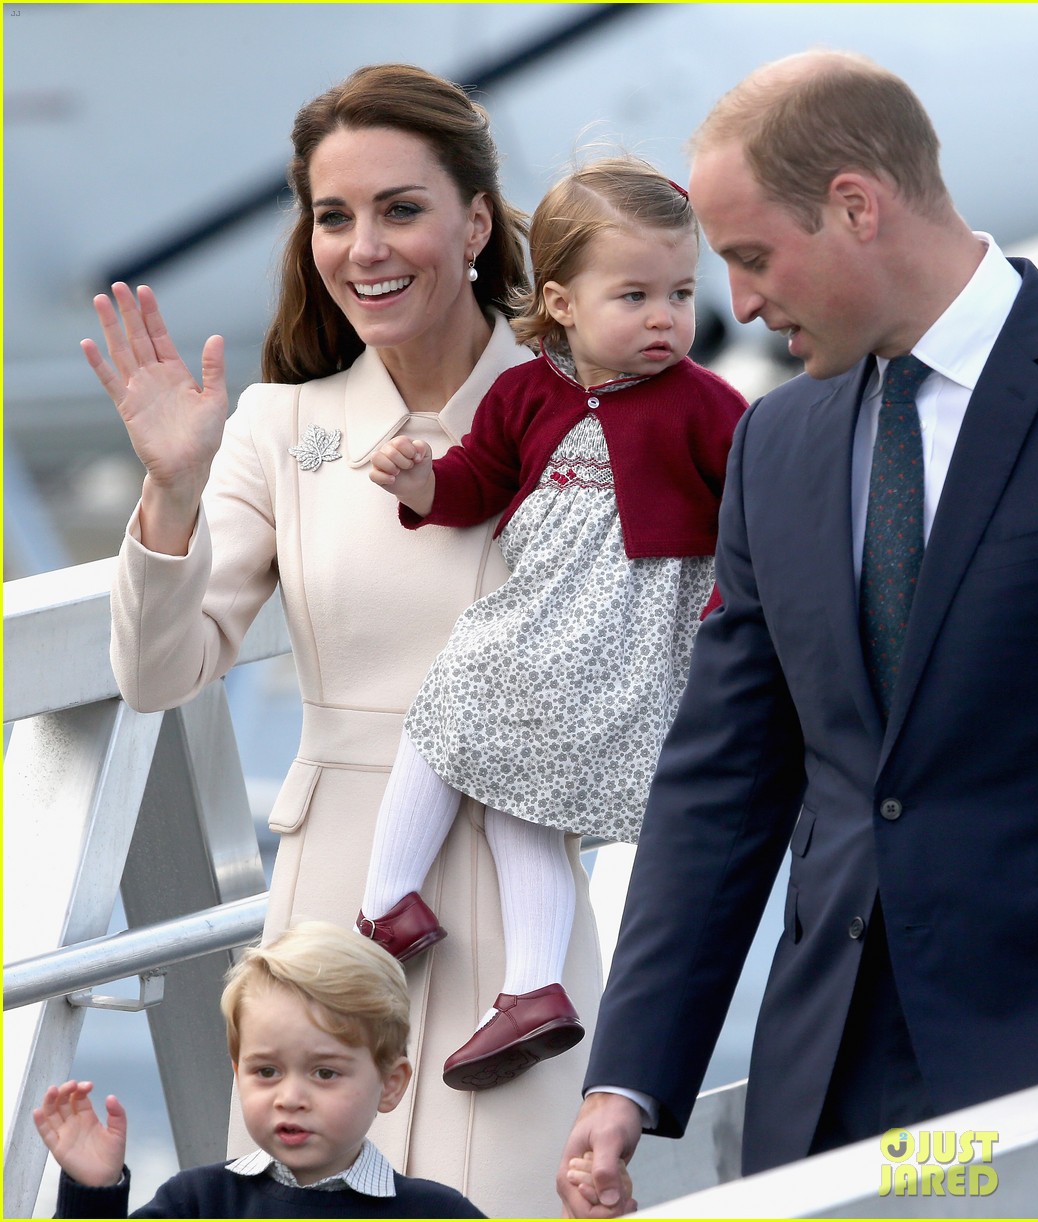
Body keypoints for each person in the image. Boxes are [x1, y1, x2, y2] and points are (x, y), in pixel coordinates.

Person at [91, 63, 603, 1218]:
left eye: (401, 209)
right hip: (333, 901)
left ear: (476, 220)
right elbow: (159, 670)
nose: (363, 246)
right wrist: (169, 492)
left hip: (515, 910)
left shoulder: (581, 409)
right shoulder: (282, 424)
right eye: (334, 216)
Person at [558, 49, 1038, 1214]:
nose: (737, 304)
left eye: (749, 256)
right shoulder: (772, 449)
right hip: (828, 1084)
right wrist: (628, 1076)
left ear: (854, 207)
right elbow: (723, 773)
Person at [360, 156, 746, 1091]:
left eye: (682, 293)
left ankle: (384, 905)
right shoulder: (525, 392)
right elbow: (476, 483)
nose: (665, 317)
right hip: (549, 621)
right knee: (519, 791)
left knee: (453, 703)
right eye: (635, 295)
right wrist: (421, 483)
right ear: (563, 303)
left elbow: (754, 522)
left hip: (619, 635)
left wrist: (722, 616)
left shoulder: (708, 405)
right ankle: (533, 988)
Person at [33, 922, 487, 1217]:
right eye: (266, 1072)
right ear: (237, 1073)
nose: (289, 1097)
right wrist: (94, 1192)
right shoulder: (197, 1202)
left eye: (325, 1073)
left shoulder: (435, 1211)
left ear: (390, 1085)